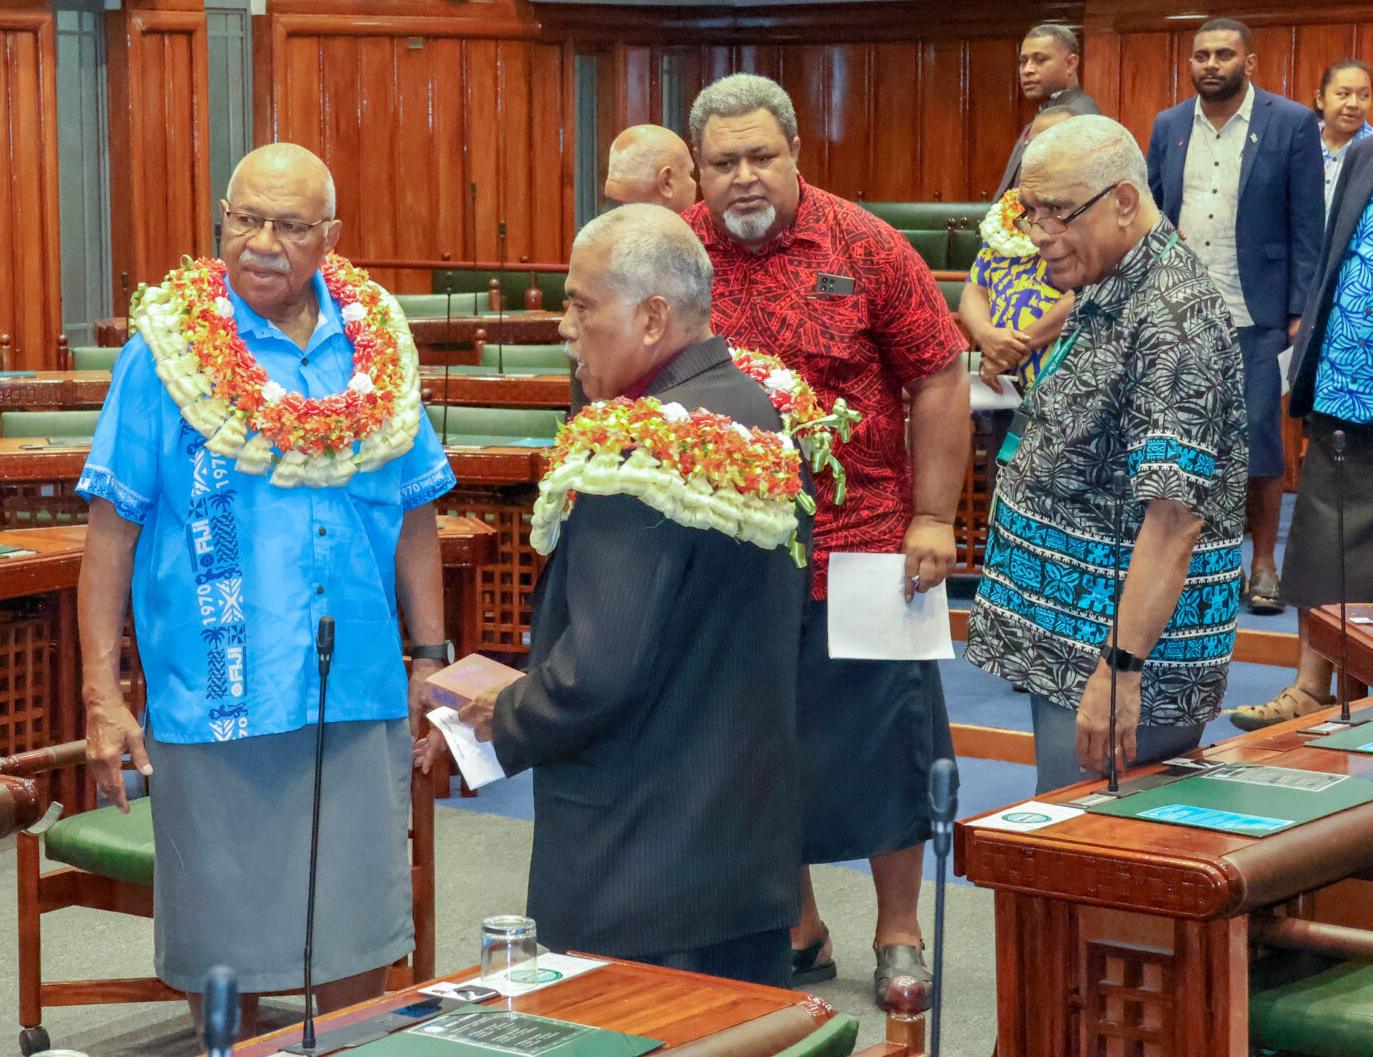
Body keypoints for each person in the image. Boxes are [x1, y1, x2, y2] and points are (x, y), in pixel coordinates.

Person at [76, 142, 455, 1037]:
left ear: (330, 236)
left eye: (288, 225)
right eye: (244, 219)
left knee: (358, 944)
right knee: (227, 962)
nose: (260, 243)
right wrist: (101, 692)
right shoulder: (162, 355)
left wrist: (431, 655)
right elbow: (110, 531)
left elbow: (417, 512)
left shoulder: (376, 345)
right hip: (219, 694)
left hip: (356, 686)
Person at [445, 204, 808, 987]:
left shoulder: (637, 444)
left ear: (652, 317)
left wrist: (504, 713)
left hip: (639, 867)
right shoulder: (751, 408)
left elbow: (600, 670)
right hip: (739, 848)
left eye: (581, 305)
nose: (565, 327)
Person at [682, 73, 969, 1006]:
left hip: (874, 540)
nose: (746, 177)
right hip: (733, 550)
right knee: (758, 743)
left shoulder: (870, 247)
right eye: (724, 162)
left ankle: (898, 930)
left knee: (889, 740)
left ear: (797, 154)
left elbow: (937, 376)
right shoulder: (676, 253)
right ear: (698, 170)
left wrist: (933, 514)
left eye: (762, 155)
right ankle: (800, 925)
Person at [966, 115, 1248, 792]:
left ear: (1124, 200)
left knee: (1098, 856)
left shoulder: (1175, 319)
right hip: (1073, 635)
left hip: (1117, 655)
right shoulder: (1114, 278)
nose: (1038, 236)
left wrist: (1120, 669)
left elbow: (1174, 523)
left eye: (1059, 213)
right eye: (1031, 212)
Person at [1146, 17, 1324, 616]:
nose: (1211, 64)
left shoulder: (1292, 122)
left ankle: (1265, 564)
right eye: (1201, 55)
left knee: (1258, 440)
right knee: (1179, 438)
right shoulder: (1168, 126)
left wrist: (1300, 312)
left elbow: (1308, 225)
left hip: (1261, 313)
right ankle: (1190, 565)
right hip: (1179, 313)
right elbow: (1153, 217)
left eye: (1224, 54)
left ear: (1249, 61)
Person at [1231, 134, 1373, 730]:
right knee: (1321, 540)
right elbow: (1334, 253)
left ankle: (1362, 700)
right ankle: (1311, 689)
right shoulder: (1366, 154)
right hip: (1347, 382)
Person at [966, 106, 1078, 399]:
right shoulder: (1008, 209)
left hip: (1061, 381)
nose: (1040, 155)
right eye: (1034, 146)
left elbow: (1084, 295)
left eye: (1053, 145)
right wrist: (988, 337)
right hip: (1000, 379)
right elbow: (974, 288)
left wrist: (1011, 349)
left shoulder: (1088, 208)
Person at [995, 24, 1101, 198]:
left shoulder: (1078, 119)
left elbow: (1059, 204)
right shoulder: (1047, 113)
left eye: (1040, 60)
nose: (1027, 70)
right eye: (1023, 61)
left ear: (1070, 64)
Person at [1316, 60, 1373, 214]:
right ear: (1320, 99)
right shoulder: (1301, 142)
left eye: (1364, 95)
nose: (1354, 104)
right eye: (1343, 94)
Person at [603, 125, 698, 213]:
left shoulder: (597, 227)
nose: (695, 184)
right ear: (666, 182)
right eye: (690, 173)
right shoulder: (666, 230)